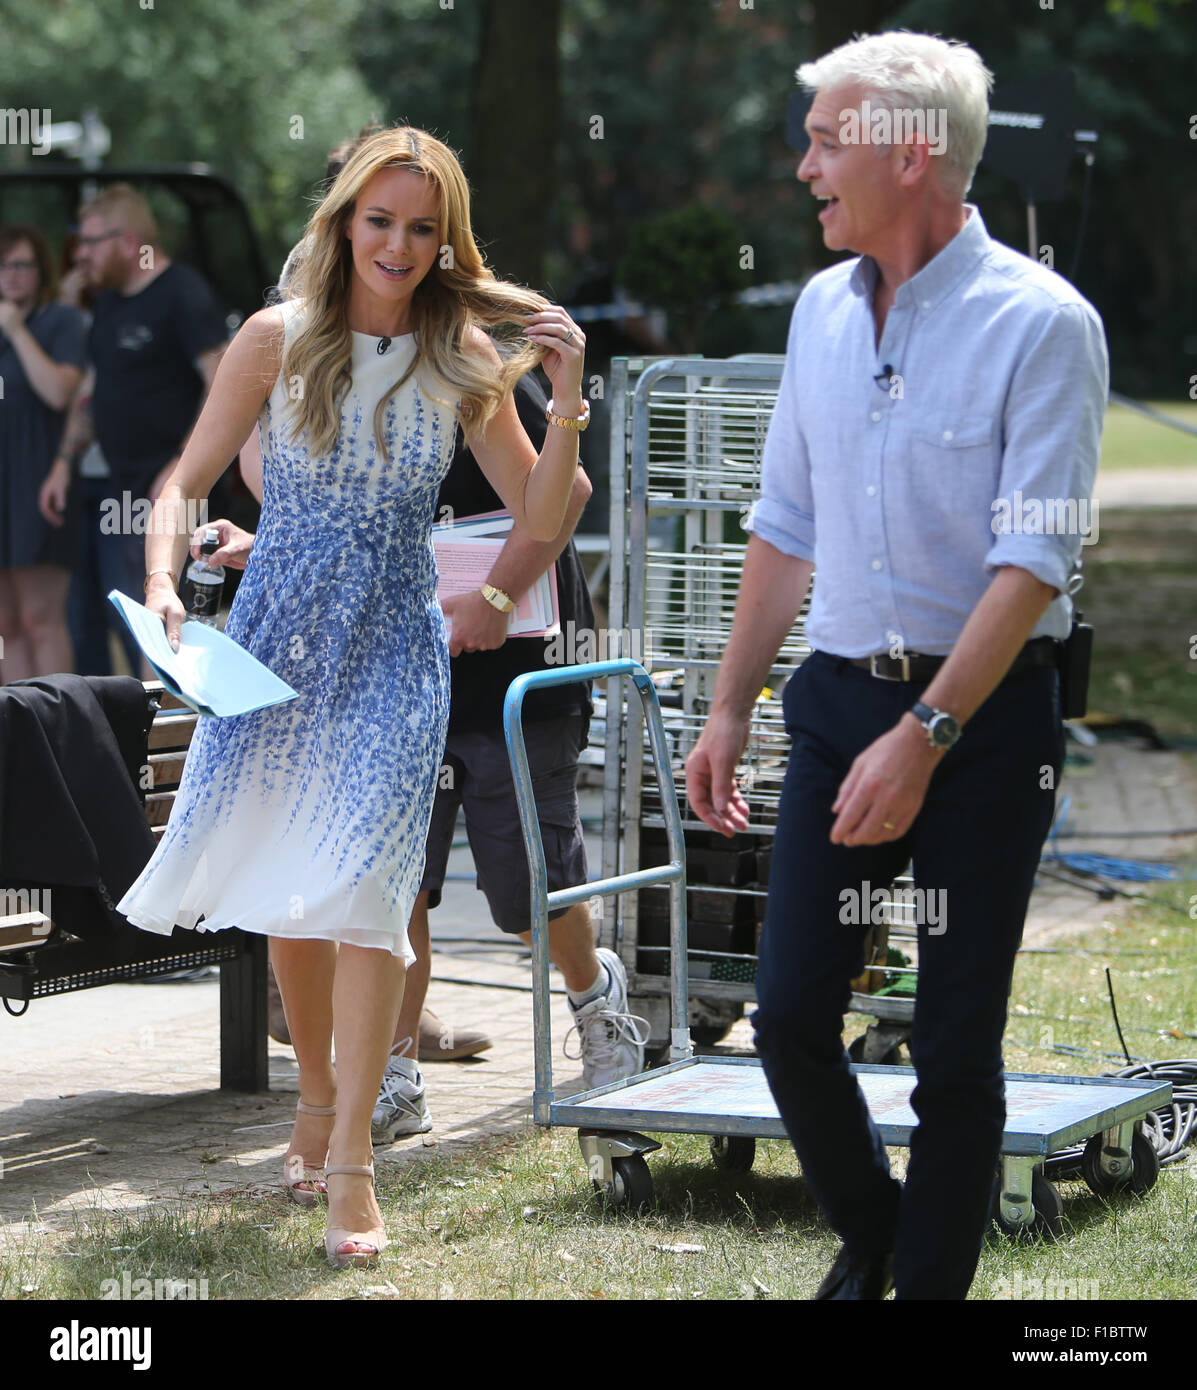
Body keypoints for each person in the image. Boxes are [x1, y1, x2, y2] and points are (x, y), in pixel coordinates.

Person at [116, 126, 588, 1267]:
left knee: (374, 890)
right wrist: (163, 577)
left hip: (394, 643)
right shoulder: (277, 338)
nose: (399, 244)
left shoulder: (461, 353)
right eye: (379, 221)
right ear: (343, 224)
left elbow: (545, 512)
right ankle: (321, 1097)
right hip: (277, 636)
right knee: (293, 880)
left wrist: (566, 392)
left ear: (445, 240)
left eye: (423, 228)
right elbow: (183, 478)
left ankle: (352, 1170)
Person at [685, 32, 1107, 1300]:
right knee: (794, 1015)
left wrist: (924, 733)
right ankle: (878, 1236)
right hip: (833, 703)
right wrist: (725, 707)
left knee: (953, 1043)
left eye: (826, 139)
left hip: (983, 719)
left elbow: (1031, 564)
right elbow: (784, 525)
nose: (805, 162)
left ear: (909, 154)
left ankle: (919, 1286)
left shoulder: (1045, 326)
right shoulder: (820, 308)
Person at [210, 369, 644, 1144]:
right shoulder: (316, 373)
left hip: (516, 660)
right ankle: (394, 1076)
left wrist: (498, 598)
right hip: (399, 667)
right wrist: (261, 548)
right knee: (394, 880)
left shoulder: (465, 358)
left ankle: (596, 999)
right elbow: (324, 517)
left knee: (525, 891)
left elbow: (564, 494)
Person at [57, 184, 227, 678]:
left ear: (129, 241)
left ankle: (173, 746)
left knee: (170, 626)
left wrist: (181, 467)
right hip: (119, 491)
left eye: (90, 241)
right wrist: (61, 463)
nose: (80, 253)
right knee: (129, 624)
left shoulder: (183, 293)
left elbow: (222, 387)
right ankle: (135, 745)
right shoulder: (108, 303)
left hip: (173, 491)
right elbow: (93, 388)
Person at [0, 224, 88, 683]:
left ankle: (57, 729)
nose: (11, 277)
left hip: (40, 482)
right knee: (6, 625)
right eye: (3, 266)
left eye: (22, 265)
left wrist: (16, 332)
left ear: (41, 271)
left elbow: (58, 392)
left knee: (40, 618)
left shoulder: (60, 321)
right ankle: (18, 737)